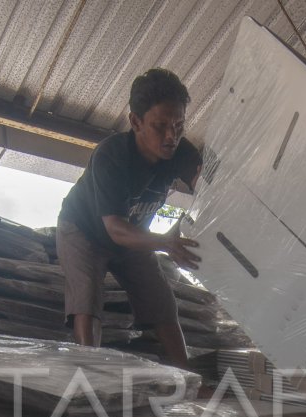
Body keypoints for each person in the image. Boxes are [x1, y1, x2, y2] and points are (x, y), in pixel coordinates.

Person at [57, 67, 202, 368]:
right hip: (85, 231)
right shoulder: (112, 156)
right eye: (160, 126)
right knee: (86, 299)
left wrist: (187, 226)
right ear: (136, 122)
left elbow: (208, 188)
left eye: (178, 126)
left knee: (161, 301)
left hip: (133, 233)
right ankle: (89, 372)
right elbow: (115, 229)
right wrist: (165, 243)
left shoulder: (181, 152)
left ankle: (187, 377)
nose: (171, 136)